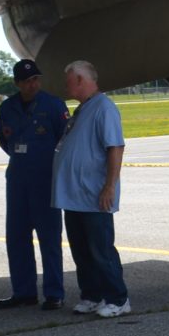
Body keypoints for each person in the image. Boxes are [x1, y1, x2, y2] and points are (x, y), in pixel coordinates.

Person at [54, 60, 130, 317]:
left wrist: (109, 186)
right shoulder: (83, 109)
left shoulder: (103, 108)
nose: (66, 86)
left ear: (80, 80)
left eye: (68, 81)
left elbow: (115, 147)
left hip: (93, 195)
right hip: (75, 197)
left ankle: (118, 299)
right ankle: (92, 295)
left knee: (101, 249)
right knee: (82, 250)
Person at [0, 59, 68, 310]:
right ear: (17, 84)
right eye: (27, 81)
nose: (32, 84)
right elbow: (4, 141)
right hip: (17, 180)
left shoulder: (54, 105)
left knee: (49, 238)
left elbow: (64, 138)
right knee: (16, 238)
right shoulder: (7, 108)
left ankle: (54, 294)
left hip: (44, 179)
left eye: (35, 79)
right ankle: (24, 292)